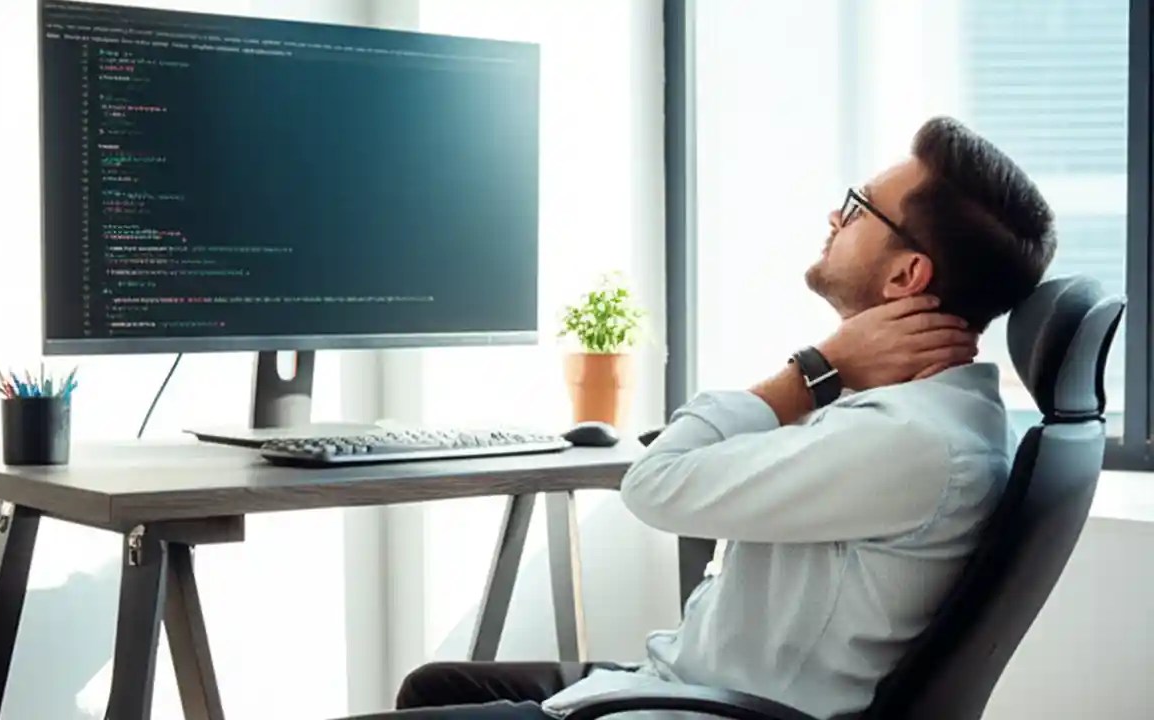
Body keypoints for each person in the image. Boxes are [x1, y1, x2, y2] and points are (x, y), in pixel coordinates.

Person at [352, 115, 1057, 719]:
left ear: (907, 277)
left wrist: (814, 369)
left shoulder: (908, 441)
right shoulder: (930, 415)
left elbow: (654, 483)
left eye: (858, 206)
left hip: (695, 710)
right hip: (681, 684)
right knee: (433, 686)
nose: (834, 218)